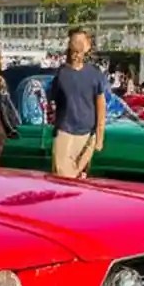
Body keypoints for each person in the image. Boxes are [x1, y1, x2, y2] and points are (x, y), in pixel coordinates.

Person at [49, 28, 107, 178]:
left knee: (81, 181)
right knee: (64, 180)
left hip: (87, 136)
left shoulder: (95, 75)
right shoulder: (61, 74)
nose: (77, 50)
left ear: (87, 47)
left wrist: (99, 139)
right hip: (65, 133)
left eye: (81, 44)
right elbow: (52, 103)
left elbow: (101, 108)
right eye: (74, 43)